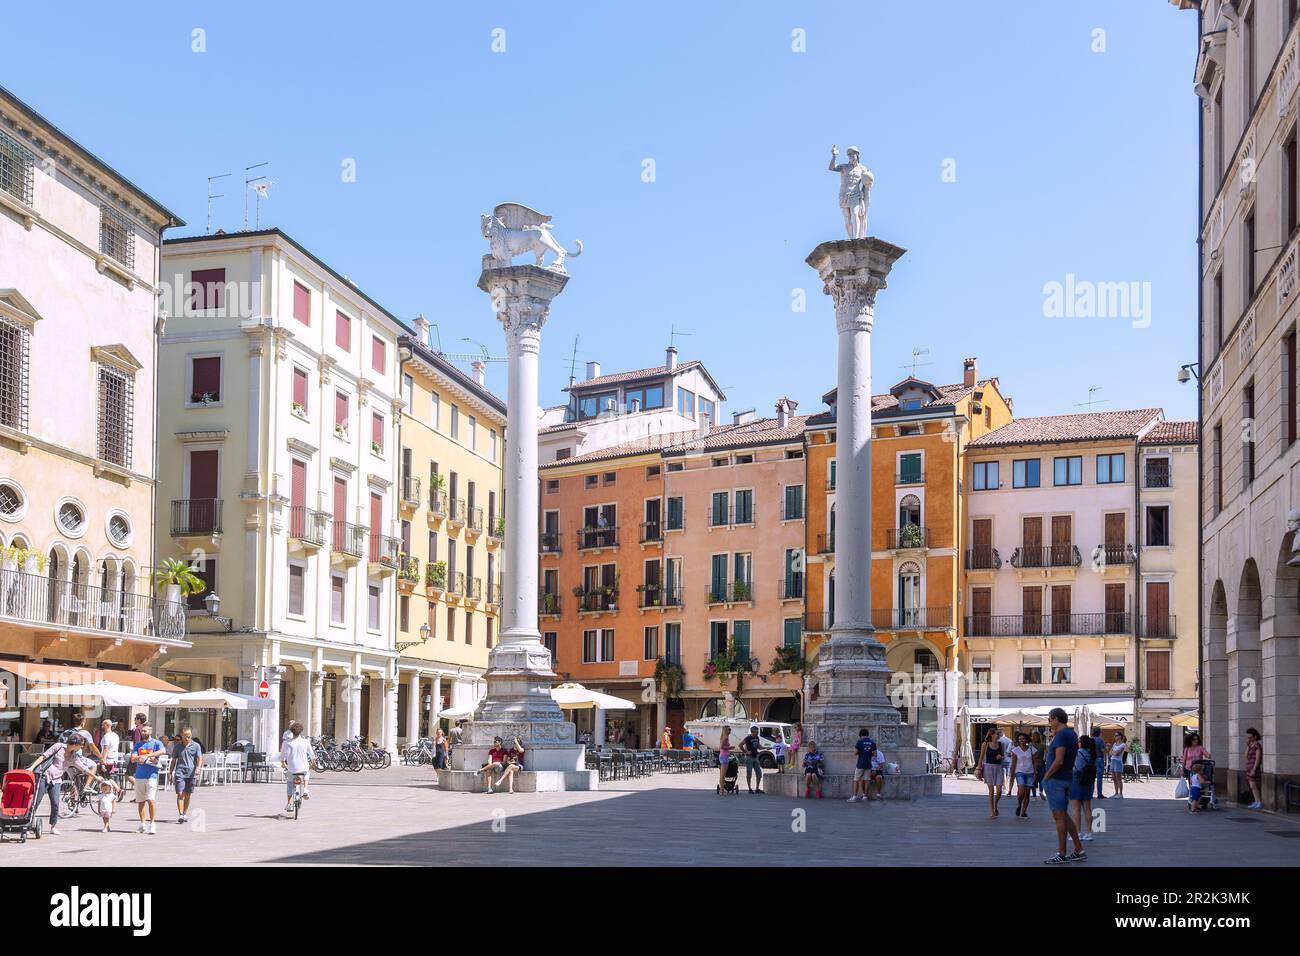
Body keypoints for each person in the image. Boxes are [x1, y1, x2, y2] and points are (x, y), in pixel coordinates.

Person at [1042, 708, 1085, 864]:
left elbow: (1059, 760)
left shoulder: (1061, 735)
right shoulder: (1072, 734)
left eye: (1049, 719)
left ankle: (1062, 853)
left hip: (1056, 780)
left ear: (1056, 719)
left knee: (1059, 817)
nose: (1049, 722)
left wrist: (1046, 777)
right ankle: (1079, 849)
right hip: (1067, 778)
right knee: (1064, 816)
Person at [28, 736, 81, 836]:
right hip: (44, 776)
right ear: (74, 744)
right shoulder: (59, 746)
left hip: (56, 780)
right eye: (80, 744)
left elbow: (82, 766)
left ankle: (53, 826)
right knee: (36, 801)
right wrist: (31, 768)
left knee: (55, 803)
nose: (81, 747)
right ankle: (28, 823)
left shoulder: (74, 756)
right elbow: (44, 756)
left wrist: (95, 776)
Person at [130, 724, 165, 835]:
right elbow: (133, 758)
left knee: (150, 800)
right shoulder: (138, 745)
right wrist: (140, 758)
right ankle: (142, 824)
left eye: (145, 731)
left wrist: (148, 756)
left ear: (150, 732)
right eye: (142, 731)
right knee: (140, 801)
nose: (142, 733)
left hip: (152, 776)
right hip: (139, 776)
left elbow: (162, 751)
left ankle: (153, 823)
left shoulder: (156, 743)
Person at [280, 721, 314, 814]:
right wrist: (313, 763)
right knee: (307, 772)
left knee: (290, 783)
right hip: (303, 769)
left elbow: (282, 756)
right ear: (301, 731)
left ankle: (289, 803)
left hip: (292, 769)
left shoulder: (286, 743)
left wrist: (283, 763)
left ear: (291, 731)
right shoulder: (305, 741)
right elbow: (312, 755)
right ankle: (306, 789)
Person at [172, 726, 203, 824]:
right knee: (180, 793)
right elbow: (173, 760)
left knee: (188, 794)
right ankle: (181, 814)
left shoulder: (196, 746)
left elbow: (199, 758)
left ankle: (185, 812)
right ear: (181, 735)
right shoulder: (177, 747)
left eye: (189, 736)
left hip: (191, 773)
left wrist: (198, 768)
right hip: (180, 772)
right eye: (185, 736)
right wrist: (170, 772)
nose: (187, 738)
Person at [1070, 733, 1097, 843]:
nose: (1078, 743)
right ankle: (1089, 832)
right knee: (1087, 808)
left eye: (1079, 741)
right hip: (1088, 781)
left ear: (1082, 743)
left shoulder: (1078, 753)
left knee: (1076, 809)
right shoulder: (1091, 754)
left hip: (1076, 780)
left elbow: (1073, 767)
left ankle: (1077, 833)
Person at [1009, 731, 1036, 819]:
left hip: (1030, 772)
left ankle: (1024, 812)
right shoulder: (1015, 750)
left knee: (1027, 793)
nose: (1021, 741)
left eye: (1023, 739)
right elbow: (1013, 764)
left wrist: (1035, 772)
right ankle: (1019, 804)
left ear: (1026, 740)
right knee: (1021, 791)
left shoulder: (1032, 749)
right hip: (1019, 772)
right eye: (1020, 739)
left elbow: (1034, 762)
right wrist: (1012, 775)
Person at [977, 728, 1004, 818]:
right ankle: (992, 810)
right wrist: (978, 767)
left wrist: (1001, 757)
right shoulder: (985, 744)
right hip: (988, 767)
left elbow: (1003, 756)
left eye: (998, 734)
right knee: (991, 791)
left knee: (999, 791)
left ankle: (995, 805)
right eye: (996, 734)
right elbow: (981, 756)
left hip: (998, 768)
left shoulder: (1001, 744)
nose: (998, 735)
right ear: (991, 735)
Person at [850, 727, 878, 803]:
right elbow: (875, 754)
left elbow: (855, 753)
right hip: (868, 764)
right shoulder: (873, 743)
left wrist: (861, 752)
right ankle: (865, 796)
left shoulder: (859, 742)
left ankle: (854, 796)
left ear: (861, 735)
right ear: (867, 735)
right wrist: (868, 754)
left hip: (860, 764)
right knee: (867, 780)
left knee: (856, 780)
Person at [739, 725, 765, 795]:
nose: (757, 733)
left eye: (757, 732)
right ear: (752, 732)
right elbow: (740, 745)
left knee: (759, 773)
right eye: (756, 732)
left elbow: (758, 746)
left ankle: (757, 788)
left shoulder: (757, 737)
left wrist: (765, 747)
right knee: (749, 773)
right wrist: (745, 752)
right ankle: (750, 788)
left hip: (755, 757)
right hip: (749, 757)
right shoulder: (748, 738)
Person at [1244, 728, 1264, 810]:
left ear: (1255, 737)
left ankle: (1259, 802)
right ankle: (1256, 801)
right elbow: (1245, 756)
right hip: (1249, 766)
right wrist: (1248, 746)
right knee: (1252, 786)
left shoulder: (1257, 745)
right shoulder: (1251, 745)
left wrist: (1254, 769)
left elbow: (1258, 758)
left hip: (1253, 767)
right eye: (1248, 737)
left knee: (1253, 785)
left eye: (1250, 737)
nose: (1249, 739)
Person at [1109, 731, 1129, 799]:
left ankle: (1120, 793)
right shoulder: (1114, 744)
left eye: (1116, 735)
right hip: (1113, 761)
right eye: (1115, 735)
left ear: (1120, 736)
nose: (1115, 737)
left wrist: (1113, 752)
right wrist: (1113, 752)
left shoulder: (1123, 745)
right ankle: (1116, 793)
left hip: (1118, 761)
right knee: (1114, 778)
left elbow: (1117, 754)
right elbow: (1110, 753)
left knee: (1119, 778)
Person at [997, 729, 1015, 804]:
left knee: (1003, 772)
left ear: (1001, 733)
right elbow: (1011, 750)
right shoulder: (1010, 740)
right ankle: (1006, 786)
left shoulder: (999, 741)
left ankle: (1004, 787)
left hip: (1001, 758)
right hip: (1009, 758)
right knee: (1008, 773)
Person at [1091, 727, 1107, 799]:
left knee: (1091, 777)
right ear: (1099, 732)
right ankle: (1099, 794)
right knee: (1099, 777)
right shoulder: (1101, 740)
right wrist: (1107, 748)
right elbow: (1103, 750)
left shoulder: (1091, 739)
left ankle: (1090, 793)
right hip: (1099, 759)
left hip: (1091, 759)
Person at [1030, 730, 1047, 800]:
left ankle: (1034, 796)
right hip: (1041, 764)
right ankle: (1040, 791)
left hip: (1033, 764)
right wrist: (1044, 760)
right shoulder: (1043, 745)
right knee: (1041, 779)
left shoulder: (1030, 746)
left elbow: (1030, 755)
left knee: (1033, 780)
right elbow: (1046, 755)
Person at [716, 725, 733, 795]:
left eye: (730, 730)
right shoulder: (725, 738)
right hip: (724, 756)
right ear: (726, 730)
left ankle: (722, 789)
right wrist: (730, 748)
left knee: (722, 775)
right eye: (729, 730)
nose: (730, 731)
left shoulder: (723, 737)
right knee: (723, 775)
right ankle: (722, 790)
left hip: (722, 755)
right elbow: (721, 747)